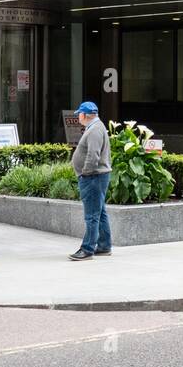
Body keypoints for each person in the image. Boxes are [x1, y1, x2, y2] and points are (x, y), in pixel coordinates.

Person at [69, 102, 112, 261]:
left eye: (79, 113)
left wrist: (85, 173)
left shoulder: (94, 130)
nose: (78, 116)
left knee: (92, 215)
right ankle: (104, 245)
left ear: (85, 115)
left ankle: (87, 249)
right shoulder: (96, 127)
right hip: (97, 176)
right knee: (100, 213)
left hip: (93, 177)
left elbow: (93, 155)